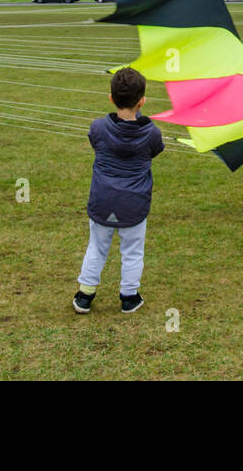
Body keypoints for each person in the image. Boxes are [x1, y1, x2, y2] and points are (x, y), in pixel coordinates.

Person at [74, 67, 164, 314]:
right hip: (133, 204)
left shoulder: (99, 127)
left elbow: (97, 140)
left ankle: (85, 296)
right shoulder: (151, 133)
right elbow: (156, 149)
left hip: (104, 201)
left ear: (111, 98)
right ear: (142, 101)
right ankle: (128, 296)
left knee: (97, 247)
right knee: (133, 252)